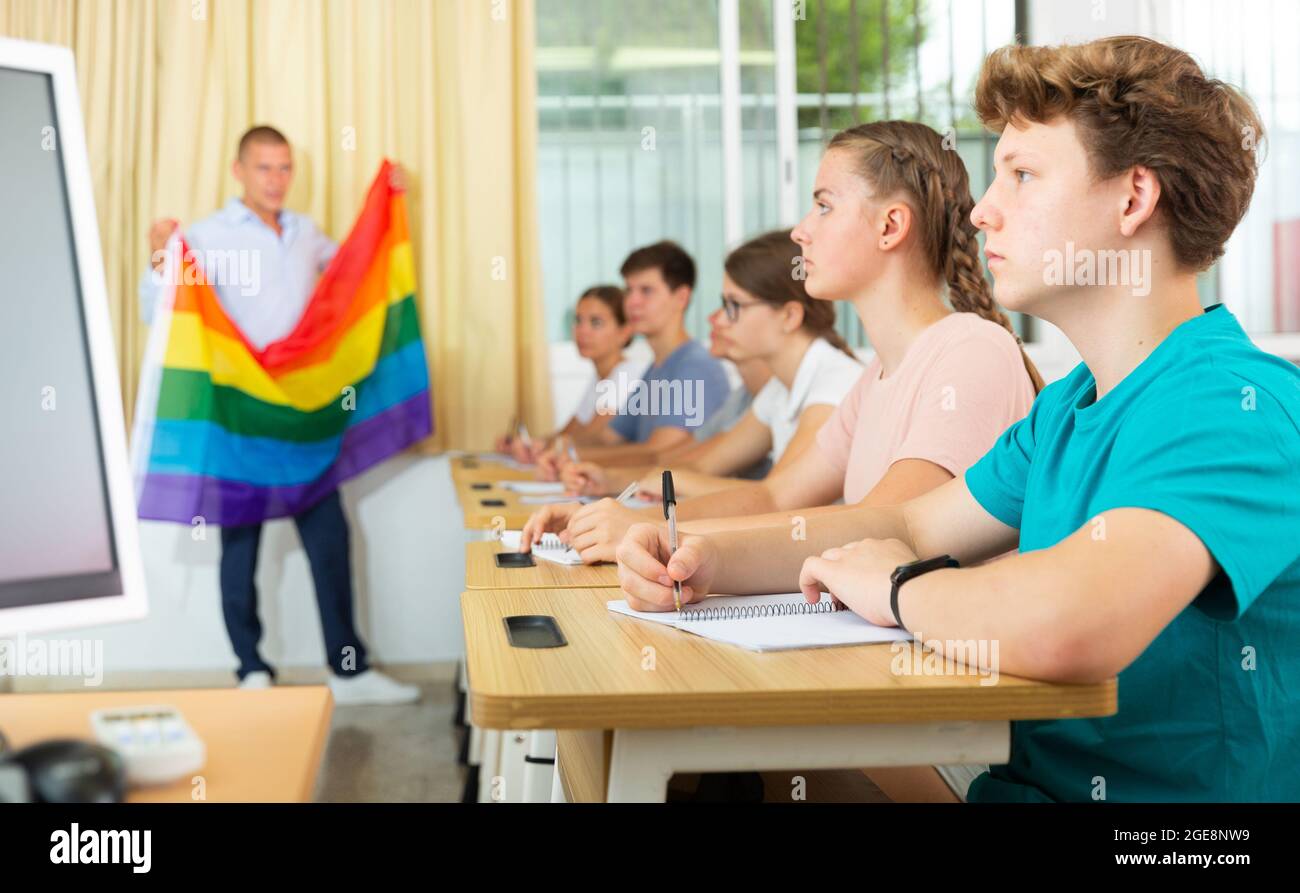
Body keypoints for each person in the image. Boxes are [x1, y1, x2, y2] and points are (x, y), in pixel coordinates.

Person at [617, 36, 1300, 803]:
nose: (983, 210)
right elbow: (911, 526)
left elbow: (1073, 619)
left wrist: (899, 589)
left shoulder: (1234, 404)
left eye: (1023, 175)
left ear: (1133, 199)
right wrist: (704, 557)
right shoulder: (1068, 410)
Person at [525, 119, 1041, 563]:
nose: (800, 230)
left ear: (890, 226)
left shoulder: (970, 351)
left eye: (822, 206)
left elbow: (887, 526)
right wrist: (621, 517)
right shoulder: (876, 378)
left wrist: (662, 534)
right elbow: (776, 500)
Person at [140, 125, 418, 705]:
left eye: (285, 168)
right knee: (238, 549)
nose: (276, 180)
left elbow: (352, 276)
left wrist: (388, 204)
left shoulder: (305, 233)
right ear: (239, 171)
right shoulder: (206, 236)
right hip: (241, 418)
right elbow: (158, 314)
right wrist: (158, 259)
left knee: (331, 539)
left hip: (302, 419)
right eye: (264, 168)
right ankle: (250, 669)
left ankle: (349, 671)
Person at [549, 229, 863, 509]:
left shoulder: (832, 384)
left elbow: (774, 500)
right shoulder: (780, 389)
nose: (718, 319)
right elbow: (702, 464)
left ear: (789, 316)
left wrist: (654, 501)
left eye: (733, 306)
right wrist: (611, 479)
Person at [533, 240, 731, 478]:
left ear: (681, 297)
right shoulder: (654, 368)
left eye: (646, 291)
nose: (632, 302)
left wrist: (572, 456)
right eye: (628, 290)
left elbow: (658, 453)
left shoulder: (696, 366)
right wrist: (559, 451)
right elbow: (609, 439)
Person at [494, 285, 645, 464]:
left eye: (595, 322)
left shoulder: (626, 376)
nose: (582, 330)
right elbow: (568, 433)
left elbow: (595, 438)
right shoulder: (600, 378)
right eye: (578, 320)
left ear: (625, 331)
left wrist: (541, 447)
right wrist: (529, 443)